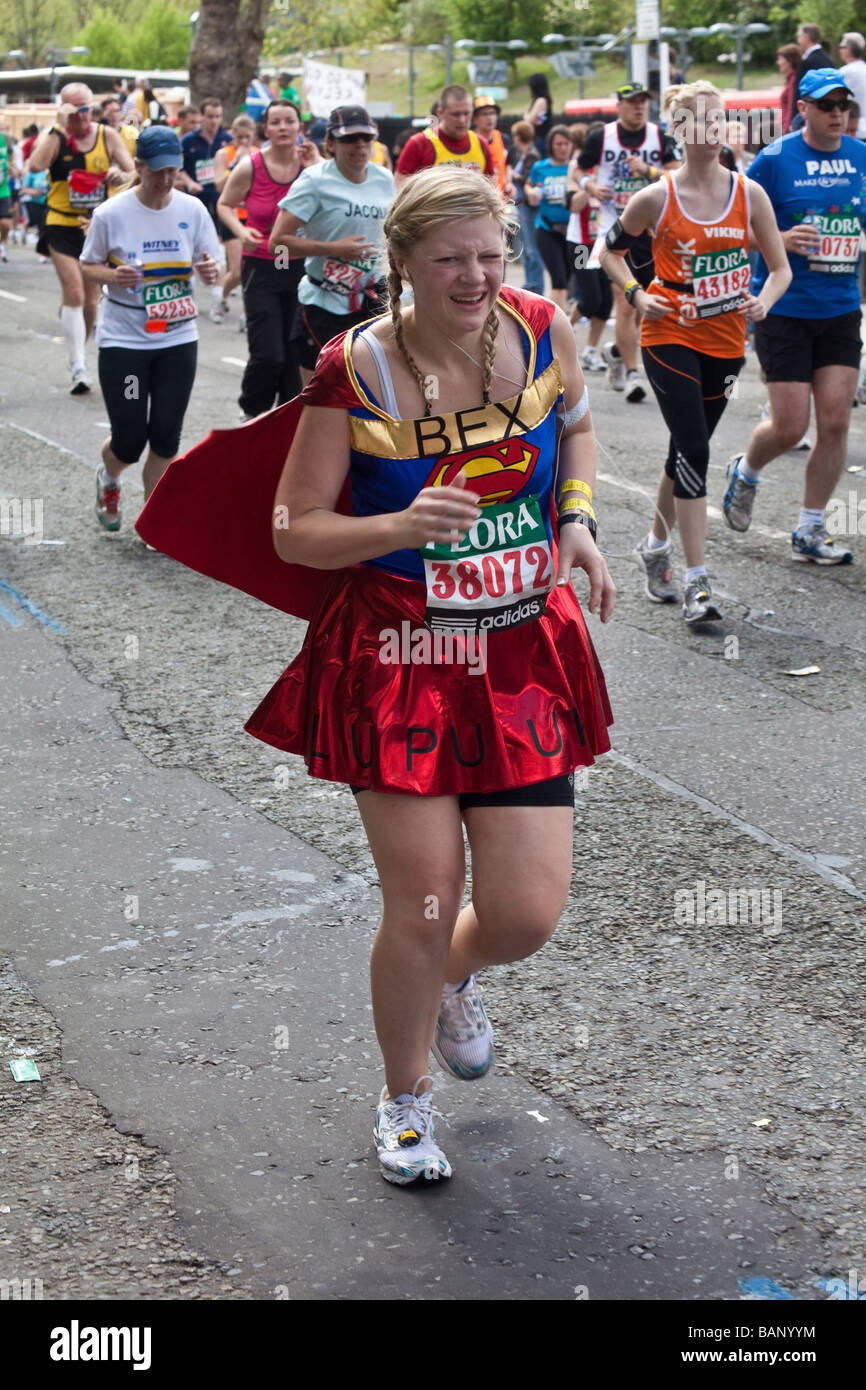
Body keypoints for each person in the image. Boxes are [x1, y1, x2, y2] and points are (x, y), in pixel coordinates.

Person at [136, 165, 615, 1185]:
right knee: (427, 896)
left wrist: (573, 519)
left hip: (520, 645)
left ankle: (449, 983)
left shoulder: (539, 326)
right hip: (400, 652)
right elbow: (295, 530)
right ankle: (403, 1099)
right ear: (401, 264)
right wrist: (396, 526)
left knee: (524, 912)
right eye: (451, 260)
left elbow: (573, 426)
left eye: (491, 254)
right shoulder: (354, 368)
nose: (477, 277)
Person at [602, 81, 790, 626]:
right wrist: (638, 296)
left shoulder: (748, 193)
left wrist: (764, 302)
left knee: (690, 449)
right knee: (693, 448)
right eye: (697, 118)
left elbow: (780, 268)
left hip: (729, 338)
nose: (710, 126)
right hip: (668, 333)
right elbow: (606, 251)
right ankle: (697, 582)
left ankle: (654, 546)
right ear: (679, 131)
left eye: (718, 116)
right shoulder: (655, 198)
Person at [723, 68, 866, 564]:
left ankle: (810, 527)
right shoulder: (775, 160)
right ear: (802, 107)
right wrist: (778, 240)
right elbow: (730, 228)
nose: (837, 114)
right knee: (789, 427)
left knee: (834, 421)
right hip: (784, 307)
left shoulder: (861, 157)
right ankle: (746, 471)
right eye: (826, 105)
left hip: (841, 308)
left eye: (844, 105)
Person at [79, 126, 221, 532]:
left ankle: (153, 520)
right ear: (137, 166)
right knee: (129, 439)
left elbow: (212, 265)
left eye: (173, 171)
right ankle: (109, 479)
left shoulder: (192, 210)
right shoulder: (111, 214)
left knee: (165, 436)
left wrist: (211, 271)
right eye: (157, 171)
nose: (165, 181)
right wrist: (112, 274)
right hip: (126, 341)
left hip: (177, 338)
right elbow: (87, 266)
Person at [269, 104, 394, 387]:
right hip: (325, 302)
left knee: (372, 388)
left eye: (366, 138)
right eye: (350, 138)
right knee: (323, 392)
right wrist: (334, 249)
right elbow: (277, 245)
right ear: (330, 143)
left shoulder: (384, 180)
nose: (360, 145)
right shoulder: (315, 182)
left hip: (374, 297)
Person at [576, 82, 680, 403]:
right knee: (625, 299)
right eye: (632, 102)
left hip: (651, 229)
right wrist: (590, 186)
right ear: (619, 106)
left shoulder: (659, 137)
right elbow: (577, 169)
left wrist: (648, 169)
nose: (638, 107)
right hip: (614, 226)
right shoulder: (601, 137)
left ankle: (618, 354)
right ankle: (636, 373)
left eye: (642, 102)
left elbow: (676, 174)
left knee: (645, 303)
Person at [27, 82, 134, 393]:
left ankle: (79, 350)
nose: (82, 118)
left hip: (95, 226)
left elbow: (132, 172)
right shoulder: (57, 137)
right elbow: (37, 164)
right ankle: (78, 367)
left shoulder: (106, 135)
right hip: (60, 222)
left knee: (91, 301)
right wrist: (59, 127)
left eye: (86, 110)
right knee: (73, 292)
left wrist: (120, 175)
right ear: (65, 111)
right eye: (75, 112)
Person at [219, 99, 319, 416]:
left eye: (289, 121)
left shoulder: (314, 169)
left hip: (302, 267)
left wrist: (318, 164)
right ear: (266, 129)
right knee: (268, 353)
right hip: (261, 265)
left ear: (299, 127)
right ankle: (252, 410)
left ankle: (284, 419)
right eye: (275, 122)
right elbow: (224, 204)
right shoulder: (251, 165)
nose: (282, 128)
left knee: (293, 353)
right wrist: (240, 229)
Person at [177, 98, 232, 323]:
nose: (214, 121)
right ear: (202, 117)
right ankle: (186, 295)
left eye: (218, 116)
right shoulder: (189, 140)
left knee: (217, 251)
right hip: (195, 201)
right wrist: (189, 182)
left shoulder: (226, 140)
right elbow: (179, 168)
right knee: (190, 248)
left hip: (219, 200)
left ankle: (217, 300)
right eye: (210, 116)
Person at [566, 145, 611, 373]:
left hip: (604, 243)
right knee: (591, 299)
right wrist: (589, 185)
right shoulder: (577, 170)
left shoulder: (612, 171)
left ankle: (591, 351)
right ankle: (565, 327)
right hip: (580, 243)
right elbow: (573, 205)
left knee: (606, 302)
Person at [395, 85, 494, 187]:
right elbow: (400, 187)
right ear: (440, 113)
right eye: (455, 114)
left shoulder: (481, 144)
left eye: (466, 113)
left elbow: (492, 189)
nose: (462, 120)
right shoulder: (419, 143)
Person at [213, 113, 258, 324]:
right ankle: (220, 298)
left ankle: (247, 313)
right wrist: (236, 164)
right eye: (239, 137)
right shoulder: (224, 154)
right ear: (233, 136)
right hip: (231, 216)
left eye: (247, 137)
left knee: (253, 270)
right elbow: (219, 185)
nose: (244, 142)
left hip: (253, 219)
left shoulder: (260, 155)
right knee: (238, 270)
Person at [525, 125, 573, 312]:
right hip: (546, 229)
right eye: (558, 144)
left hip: (576, 235)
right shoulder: (540, 167)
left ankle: (568, 320)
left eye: (566, 143)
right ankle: (555, 327)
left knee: (578, 273)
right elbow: (529, 185)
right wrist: (530, 193)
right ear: (551, 146)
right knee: (559, 281)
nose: (562, 148)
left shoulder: (576, 167)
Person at [509, 119, 544, 295]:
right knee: (527, 249)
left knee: (532, 249)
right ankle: (531, 284)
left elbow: (530, 179)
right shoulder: (524, 155)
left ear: (519, 136)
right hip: (522, 205)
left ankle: (536, 287)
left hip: (530, 207)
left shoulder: (532, 155)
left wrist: (514, 176)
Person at [790, 24, 836, 131]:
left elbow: (800, 92)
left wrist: (796, 119)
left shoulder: (809, 62)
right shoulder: (827, 59)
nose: (798, 40)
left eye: (799, 36)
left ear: (806, 38)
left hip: (809, 119)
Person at [471, 96, 511, 197]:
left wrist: (509, 182)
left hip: (500, 199)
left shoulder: (503, 138)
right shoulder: (469, 141)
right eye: (484, 114)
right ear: (474, 119)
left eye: (492, 113)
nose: (489, 118)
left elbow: (508, 163)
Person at [839, 33, 866, 138]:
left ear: (848, 49)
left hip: (853, 130)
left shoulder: (844, 72)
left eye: (841, 47)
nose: (840, 50)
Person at [0, 126, 17, 262]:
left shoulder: (4, 138)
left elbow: (12, 153)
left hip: (3, 188)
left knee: (6, 223)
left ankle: (2, 244)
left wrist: (12, 165)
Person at [525, 73, 552, 157]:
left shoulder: (541, 100)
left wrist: (526, 116)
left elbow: (530, 119)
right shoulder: (545, 99)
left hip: (540, 137)